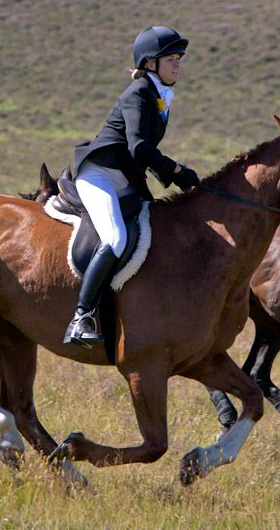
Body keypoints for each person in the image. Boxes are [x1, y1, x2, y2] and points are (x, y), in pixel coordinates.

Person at [63, 26, 201, 349]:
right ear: (150, 63)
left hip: (125, 179)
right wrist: (177, 170)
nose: (178, 64)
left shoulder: (158, 95)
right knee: (115, 238)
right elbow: (139, 147)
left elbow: (142, 153)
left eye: (179, 58)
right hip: (99, 175)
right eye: (171, 58)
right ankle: (81, 317)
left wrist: (178, 178)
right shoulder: (139, 93)